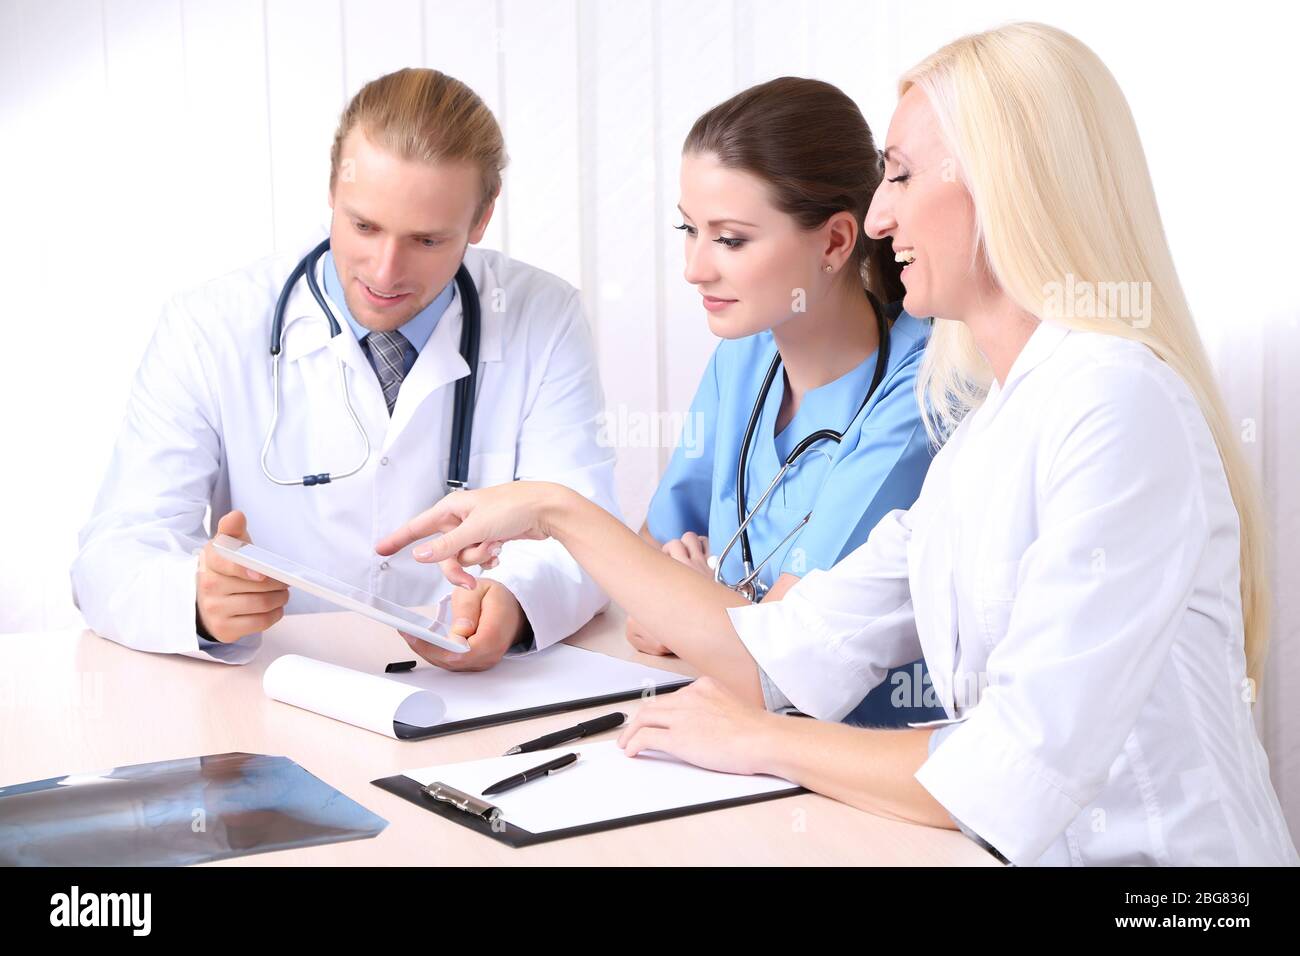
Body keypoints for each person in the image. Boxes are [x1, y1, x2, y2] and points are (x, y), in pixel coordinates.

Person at [376, 25, 1299, 865]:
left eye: (899, 175)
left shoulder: (1114, 400)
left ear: (1008, 180)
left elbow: (1011, 770)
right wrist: (553, 510)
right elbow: (778, 653)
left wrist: (763, 741)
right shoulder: (991, 430)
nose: (882, 217)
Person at [72, 68, 618, 671]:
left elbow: (590, 537)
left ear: (482, 218)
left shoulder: (544, 315)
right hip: (275, 686)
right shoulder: (209, 326)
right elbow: (111, 556)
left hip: (467, 699)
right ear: (334, 188)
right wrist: (197, 601)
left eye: (428, 240)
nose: (385, 272)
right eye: (364, 226)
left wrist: (513, 604)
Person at [638, 77, 943, 726]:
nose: (694, 267)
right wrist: (693, 607)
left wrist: (694, 607)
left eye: (730, 239)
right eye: (688, 229)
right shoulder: (744, 353)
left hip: (859, 759)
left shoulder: (920, 387)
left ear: (834, 242)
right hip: (739, 738)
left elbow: (782, 656)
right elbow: (649, 572)